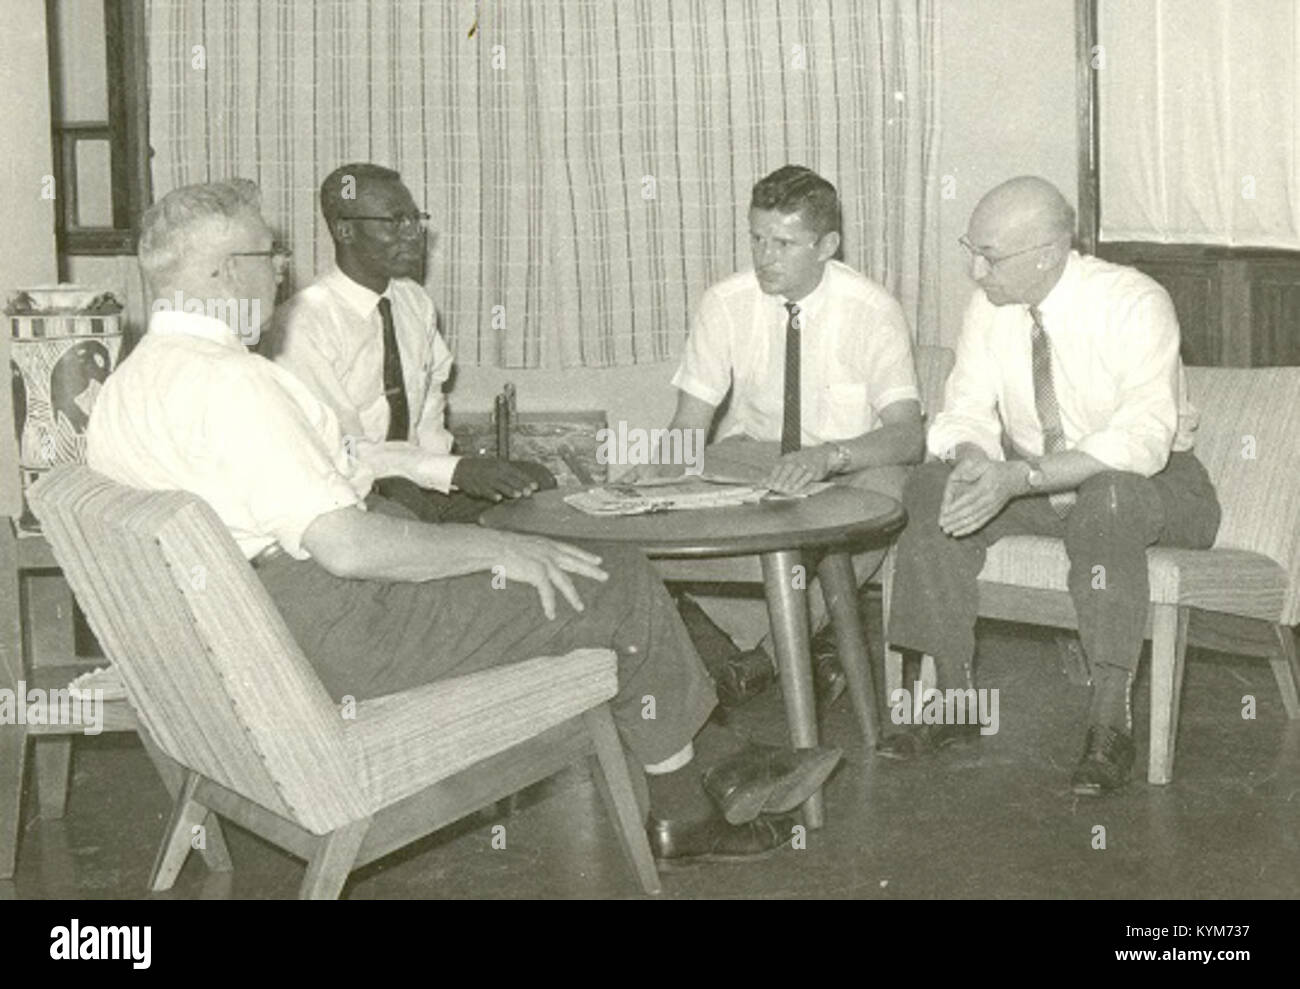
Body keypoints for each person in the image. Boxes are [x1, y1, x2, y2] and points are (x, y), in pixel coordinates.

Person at [85, 179, 844, 867]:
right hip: (329, 628)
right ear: (221, 273)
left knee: (556, 554)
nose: (281, 267)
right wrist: (492, 545)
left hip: (247, 643)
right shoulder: (233, 383)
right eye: (267, 251)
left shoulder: (128, 384)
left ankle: (714, 754)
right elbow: (347, 548)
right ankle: (685, 811)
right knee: (614, 580)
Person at [883, 176, 1221, 796]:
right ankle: (954, 700)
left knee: (1108, 497)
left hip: (1155, 489)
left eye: (989, 255)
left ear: (1048, 252)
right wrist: (972, 461)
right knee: (931, 491)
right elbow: (963, 410)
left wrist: (1021, 476)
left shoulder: (1133, 301)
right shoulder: (989, 307)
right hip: (1038, 485)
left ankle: (1108, 720)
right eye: (970, 248)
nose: (973, 269)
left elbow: (1141, 440)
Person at [626, 165, 924, 707]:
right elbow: (690, 424)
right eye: (757, 239)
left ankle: (768, 653)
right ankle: (803, 644)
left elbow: (908, 436)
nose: (765, 258)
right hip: (755, 458)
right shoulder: (724, 302)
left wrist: (828, 459)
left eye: (784, 243)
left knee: (890, 493)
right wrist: (650, 474)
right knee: (669, 501)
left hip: (847, 464)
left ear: (827, 245)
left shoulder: (873, 310)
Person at [265, 162, 552, 524]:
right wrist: (449, 472)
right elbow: (338, 451)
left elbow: (430, 405)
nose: (414, 234)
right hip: (351, 487)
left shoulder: (413, 301)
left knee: (537, 480)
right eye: (395, 221)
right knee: (404, 499)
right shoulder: (302, 323)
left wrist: (444, 477)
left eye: (415, 219)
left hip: (418, 482)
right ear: (345, 230)